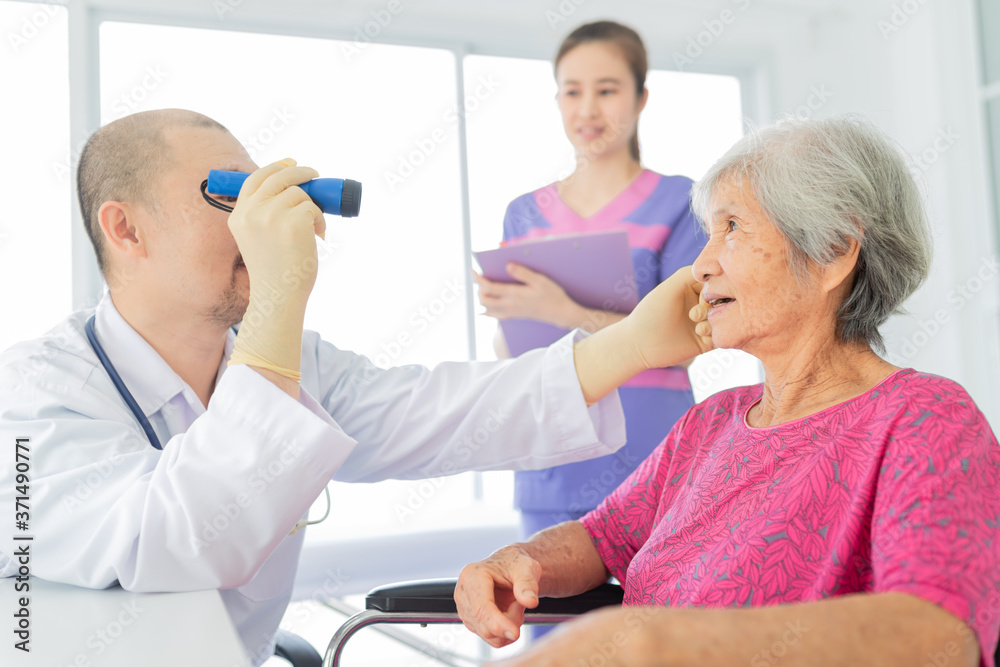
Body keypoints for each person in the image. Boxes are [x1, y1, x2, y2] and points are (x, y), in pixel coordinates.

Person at [0, 108, 712, 666]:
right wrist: (280, 291)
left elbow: (453, 411)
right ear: (125, 228)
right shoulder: (33, 398)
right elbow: (183, 537)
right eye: (228, 199)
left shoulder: (284, 360)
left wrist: (637, 342)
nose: (258, 226)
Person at [455, 115, 1000, 667]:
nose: (701, 263)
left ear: (833, 251)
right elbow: (603, 537)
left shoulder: (925, 418)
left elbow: (937, 635)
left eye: (732, 228)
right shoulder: (712, 421)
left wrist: (653, 645)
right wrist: (522, 559)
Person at [475, 21, 704, 549]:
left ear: (641, 97)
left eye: (607, 90)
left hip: (652, 462)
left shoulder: (680, 203)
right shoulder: (525, 213)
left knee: (653, 627)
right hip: (551, 456)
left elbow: (682, 346)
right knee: (547, 623)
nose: (587, 110)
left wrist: (560, 309)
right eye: (572, 92)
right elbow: (513, 349)